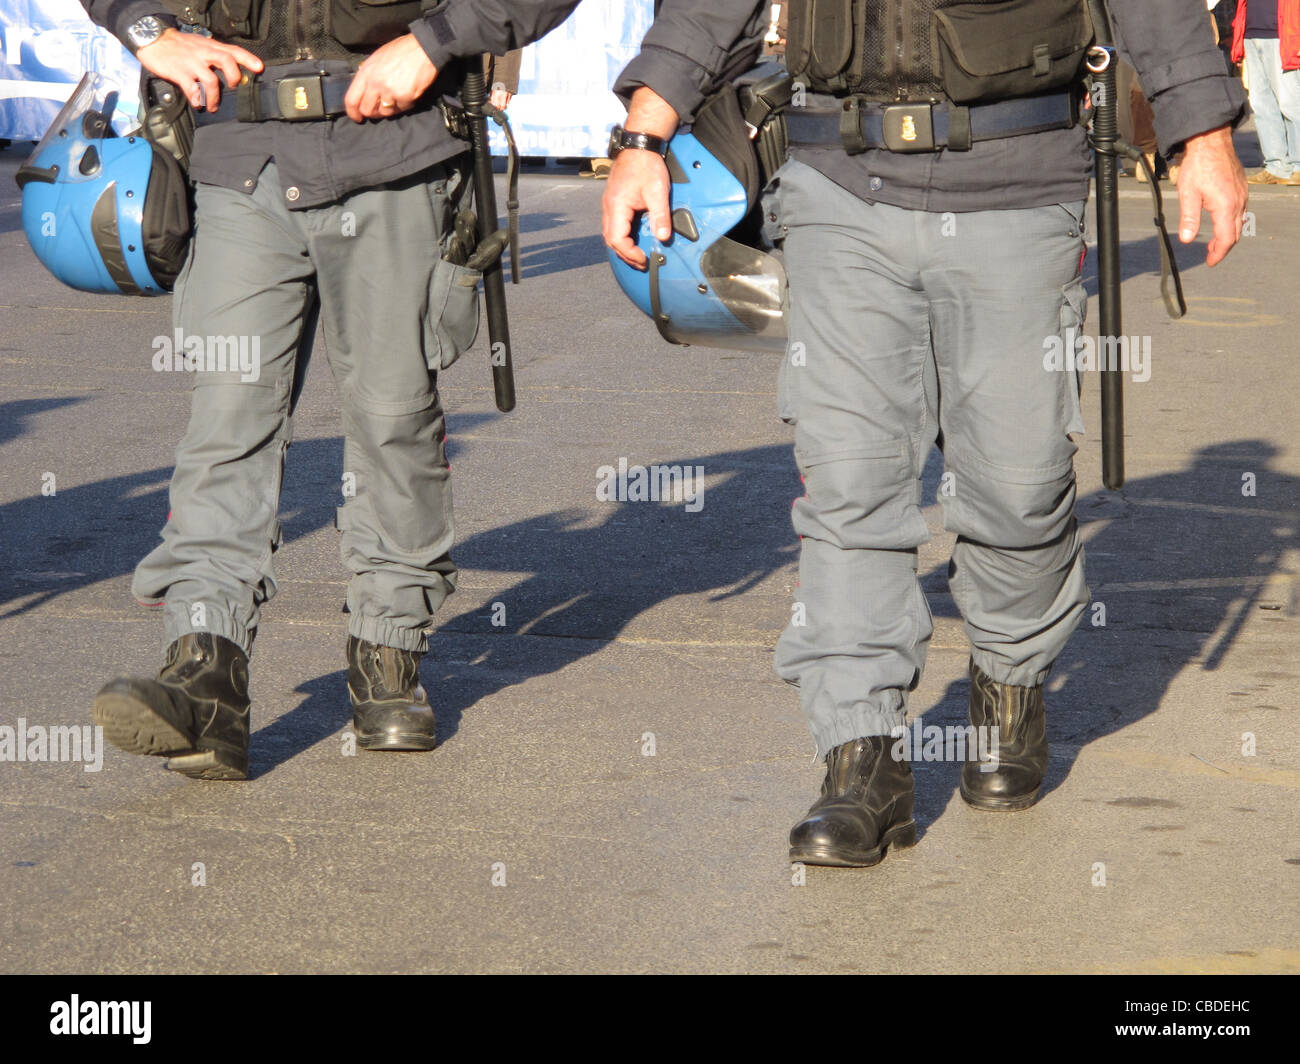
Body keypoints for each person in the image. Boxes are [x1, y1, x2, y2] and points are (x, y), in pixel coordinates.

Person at [603, 0, 1248, 866]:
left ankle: (1012, 677)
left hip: (1019, 181)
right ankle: (860, 760)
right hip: (840, 180)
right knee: (849, 481)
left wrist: (1199, 131)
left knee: (1018, 487)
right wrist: (645, 137)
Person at [81, 0, 577, 779]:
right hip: (238, 160)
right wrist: (146, 28)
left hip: (395, 156)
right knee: (227, 423)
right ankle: (204, 676)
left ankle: (388, 657)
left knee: (394, 422)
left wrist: (433, 42)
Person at [1230, 0, 1300, 183]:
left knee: (1290, 103)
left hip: (1284, 33)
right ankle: (1277, 166)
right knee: (1262, 105)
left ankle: (1298, 166)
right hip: (1252, 32)